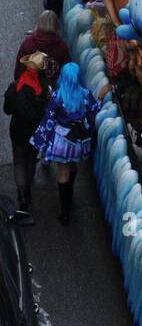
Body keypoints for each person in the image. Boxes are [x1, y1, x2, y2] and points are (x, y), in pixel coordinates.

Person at [31, 61, 100, 225]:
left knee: (62, 172)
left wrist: (40, 140)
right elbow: (93, 111)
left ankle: (65, 210)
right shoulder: (85, 94)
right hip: (78, 140)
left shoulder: (57, 95)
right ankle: (70, 194)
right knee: (73, 166)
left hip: (62, 140)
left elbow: (49, 119)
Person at [4, 52, 50, 213]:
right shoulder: (45, 90)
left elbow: (7, 110)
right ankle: (28, 189)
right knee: (31, 160)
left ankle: (22, 195)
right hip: (36, 131)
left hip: (18, 129)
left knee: (19, 160)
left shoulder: (16, 86)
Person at [15, 10, 70, 86]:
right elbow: (67, 70)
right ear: (56, 25)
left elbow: (19, 68)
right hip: (52, 88)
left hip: (29, 87)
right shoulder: (62, 47)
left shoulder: (28, 43)